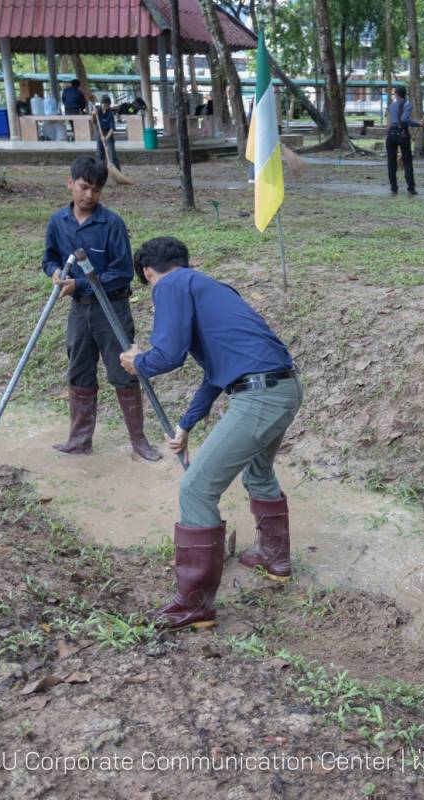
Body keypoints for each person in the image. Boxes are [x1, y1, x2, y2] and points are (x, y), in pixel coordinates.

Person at [119, 237, 302, 632]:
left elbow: (168, 355)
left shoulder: (169, 284)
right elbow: (215, 374)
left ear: (148, 273)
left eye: (148, 281)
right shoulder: (213, 289)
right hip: (284, 387)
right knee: (258, 472)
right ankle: (275, 560)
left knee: (196, 489)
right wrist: (186, 424)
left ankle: (194, 604)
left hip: (259, 397)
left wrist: (139, 362)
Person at [41, 156, 160, 463]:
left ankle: (139, 442)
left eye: (96, 189)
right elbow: (49, 258)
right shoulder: (58, 221)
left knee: (124, 371)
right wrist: (55, 272)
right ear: (70, 183)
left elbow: (121, 272)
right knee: (79, 369)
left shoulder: (111, 223)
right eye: (83, 187)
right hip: (79, 311)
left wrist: (79, 284)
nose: (89, 195)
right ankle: (79, 440)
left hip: (112, 309)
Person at [386, 86, 422, 196]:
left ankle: (393, 188)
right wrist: (418, 124)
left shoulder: (391, 105)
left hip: (391, 134)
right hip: (402, 135)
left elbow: (389, 122)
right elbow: (404, 119)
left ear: (396, 94)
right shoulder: (407, 105)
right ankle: (411, 188)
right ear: (405, 94)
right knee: (407, 162)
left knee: (391, 162)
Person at [92, 95, 121, 170]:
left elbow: (112, 129)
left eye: (107, 106)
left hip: (108, 133)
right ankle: (99, 170)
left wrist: (106, 138)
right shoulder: (97, 111)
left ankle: (117, 170)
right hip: (99, 132)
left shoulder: (110, 114)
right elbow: (94, 122)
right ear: (101, 104)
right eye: (104, 105)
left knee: (112, 153)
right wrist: (93, 114)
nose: (105, 107)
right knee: (99, 154)